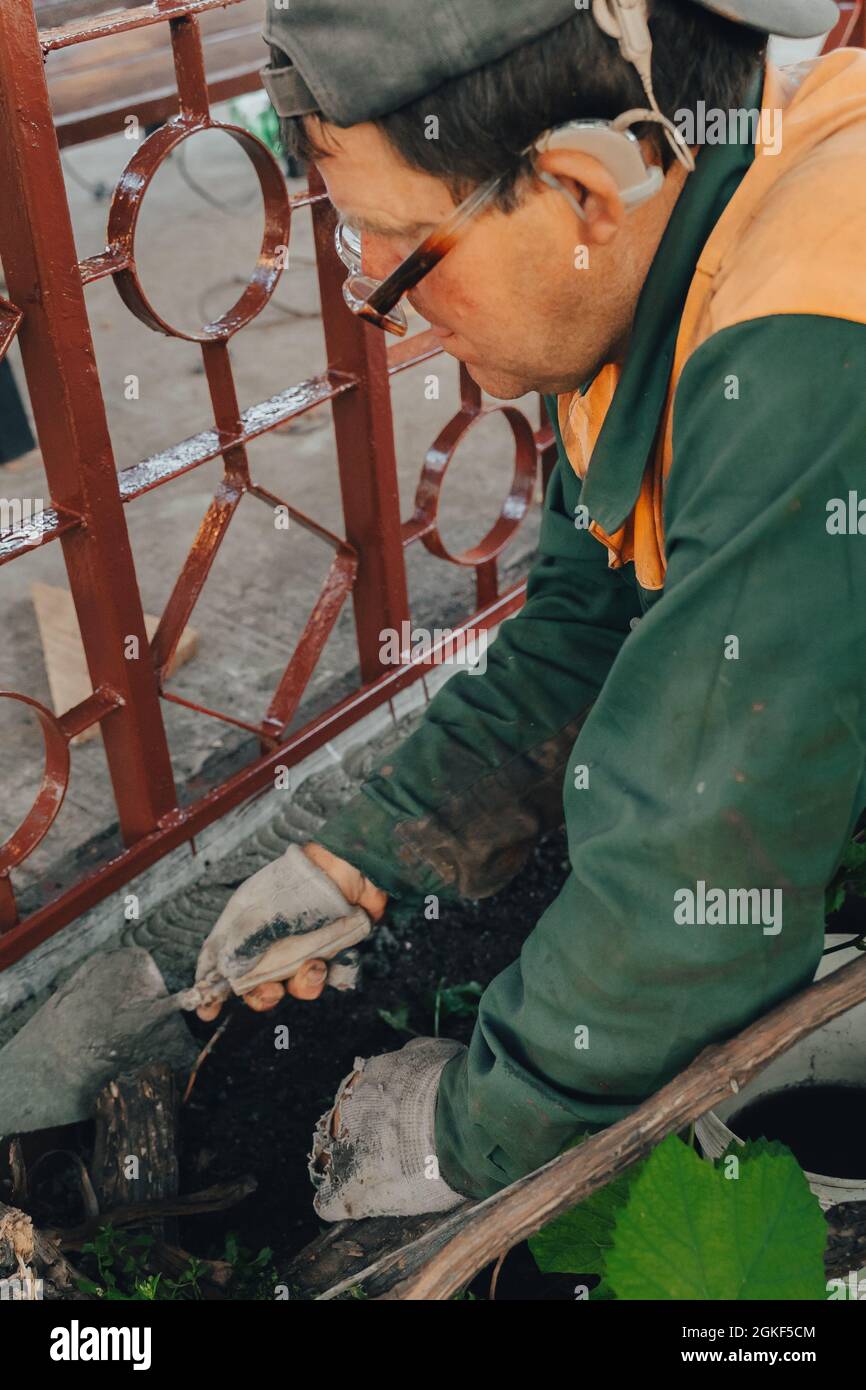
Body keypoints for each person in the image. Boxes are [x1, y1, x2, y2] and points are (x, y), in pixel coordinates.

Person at [193, 0, 866, 1221]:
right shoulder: (668, 260)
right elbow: (581, 637)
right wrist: (361, 857)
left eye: (405, 250)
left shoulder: (815, 333)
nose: (383, 300)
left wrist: (463, 1132)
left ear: (581, 191)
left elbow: (701, 854)